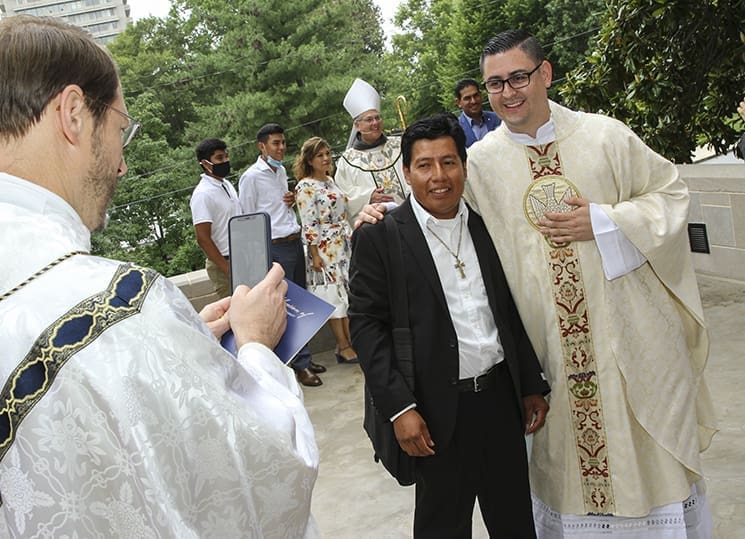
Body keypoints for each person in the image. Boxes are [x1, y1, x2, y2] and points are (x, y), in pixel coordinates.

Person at [0, 15, 319, 537]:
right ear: (73, 114)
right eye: (121, 129)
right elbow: (261, 475)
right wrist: (254, 347)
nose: (121, 166)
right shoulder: (118, 307)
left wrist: (178, 348)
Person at [468, 30, 715, 536]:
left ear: (545, 73)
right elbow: (442, 219)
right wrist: (379, 220)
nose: (508, 93)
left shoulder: (605, 137)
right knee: (565, 469)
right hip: (550, 355)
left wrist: (604, 222)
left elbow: (671, 195)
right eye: (495, 83)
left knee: (645, 462)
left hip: (627, 341)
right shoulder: (480, 165)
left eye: (518, 77)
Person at [349, 113, 551, 537]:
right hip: (433, 410)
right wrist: (400, 408)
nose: (438, 177)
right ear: (407, 173)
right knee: (443, 526)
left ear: (464, 166)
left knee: (515, 521)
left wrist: (529, 383)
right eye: (424, 165)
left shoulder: (486, 224)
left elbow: (508, 307)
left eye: (449, 162)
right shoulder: (381, 235)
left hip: (498, 400)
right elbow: (367, 328)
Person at [239, 123, 325, 386]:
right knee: (285, 306)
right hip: (274, 246)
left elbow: (277, 208)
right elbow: (247, 217)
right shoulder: (251, 177)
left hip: (293, 241)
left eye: (283, 142)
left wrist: (289, 200)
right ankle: (300, 366)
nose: (281, 148)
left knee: (301, 302)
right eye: (275, 143)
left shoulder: (281, 171)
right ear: (262, 146)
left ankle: (304, 358)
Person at [294, 136, 359, 365]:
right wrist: (314, 254)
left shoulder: (330, 181)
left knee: (346, 294)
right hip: (324, 247)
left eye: (327, 153)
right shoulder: (305, 186)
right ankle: (343, 345)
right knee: (333, 296)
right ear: (309, 160)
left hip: (342, 243)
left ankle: (350, 341)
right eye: (319, 155)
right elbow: (309, 222)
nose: (326, 158)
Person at [335, 78, 410, 222]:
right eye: (369, 120)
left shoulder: (400, 145)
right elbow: (342, 195)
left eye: (377, 118)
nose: (375, 123)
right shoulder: (347, 161)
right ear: (357, 125)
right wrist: (368, 196)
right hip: (377, 225)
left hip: (410, 216)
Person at [190, 138, 242, 299]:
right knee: (235, 310)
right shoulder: (202, 194)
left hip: (241, 258)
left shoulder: (226, 184)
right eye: (219, 158)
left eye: (226, 156)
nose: (225, 161)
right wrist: (227, 269)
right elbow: (203, 238)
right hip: (224, 264)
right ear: (205, 164)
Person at [454, 78, 501, 147]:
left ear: (481, 95)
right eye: (467, 98)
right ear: (458, 102)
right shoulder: (456, 130)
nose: (473, 101)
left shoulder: (498, 118)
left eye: (476, 95)